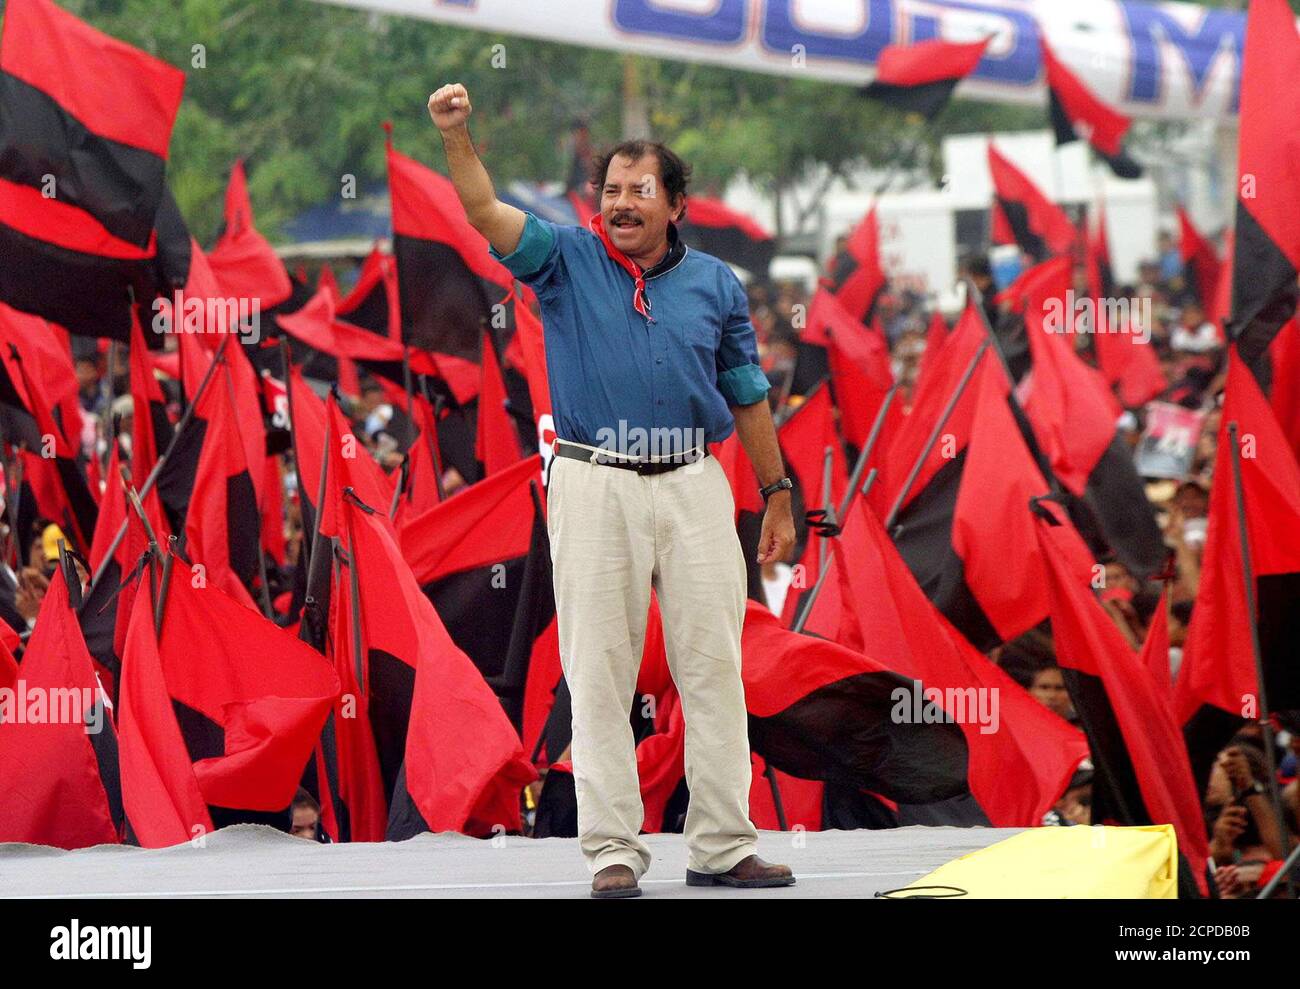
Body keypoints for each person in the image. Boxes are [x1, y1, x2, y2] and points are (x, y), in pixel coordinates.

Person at [429, 82, 797, 898]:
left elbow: (746, 390)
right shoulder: (562, 259)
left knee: (713, 665)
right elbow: (487, 212)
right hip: (594, 479)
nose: (621, 204)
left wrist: (778, 492)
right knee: (598, 667)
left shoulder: (718, 286)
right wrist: (457, 136)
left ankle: (724, 846)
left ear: (675, 205)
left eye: (639, 191)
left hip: (696, 480)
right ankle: (613, 853)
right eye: (611, 191)